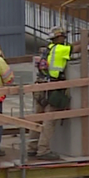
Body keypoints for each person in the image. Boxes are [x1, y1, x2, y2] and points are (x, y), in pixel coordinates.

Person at [27, 26, 72, 160]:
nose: (64, 39)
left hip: (40, 87)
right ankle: (43, 150)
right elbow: (76, 49)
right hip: (51, 88)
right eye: (63, 37)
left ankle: (32, 148)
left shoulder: (47, 50)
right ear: (59, 37)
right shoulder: (60, 49)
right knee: (49, 120)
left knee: (38, 118)